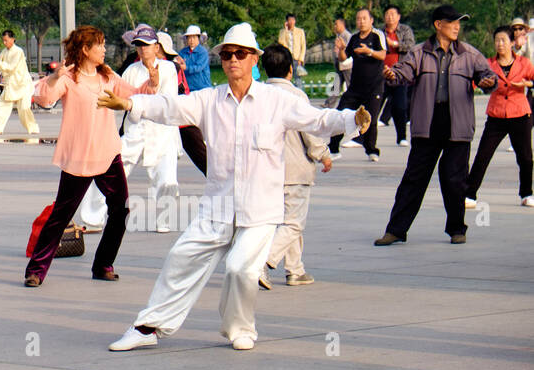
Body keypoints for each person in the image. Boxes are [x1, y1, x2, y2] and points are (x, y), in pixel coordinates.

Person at [102, 23, 369, 352]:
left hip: (260, 209)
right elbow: (171, 107)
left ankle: (239, 328)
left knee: (240, 269)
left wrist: (350, 120)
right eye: (227, 54)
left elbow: (316, 120)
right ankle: (147, 327)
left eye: (240, 54)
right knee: (180, 257)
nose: (232, 60)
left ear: (254, 59)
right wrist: (131, 105)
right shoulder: (210, 100)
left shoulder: (276, 101)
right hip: (217, 207)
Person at [25, 25, 149, 286]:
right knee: (61, 215)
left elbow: (135, 95)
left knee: (121, 209)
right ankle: (36, 270)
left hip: (107, 154)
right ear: (85, 49)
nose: (104, 49)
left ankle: (103, 264)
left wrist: (153, 81)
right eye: (100, 45)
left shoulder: (108, 76)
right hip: (78, 155)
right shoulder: (69, 78)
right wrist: (54, 77)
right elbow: (44, 98)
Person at [375, 5, 498, 246]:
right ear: (438, 25)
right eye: (452, 22)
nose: (456, 27)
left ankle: (456, 229)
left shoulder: (469, 54)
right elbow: (403, 72)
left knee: (455, 180)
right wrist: (392, 75)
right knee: (414, 180)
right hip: (427, 124)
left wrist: (487, 81)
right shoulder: (420, 52)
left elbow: (487, 75)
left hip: (457, 126)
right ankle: (396, 230)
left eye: (459, 22)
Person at [257, 44, 333, 289]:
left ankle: (295, 270)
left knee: (283, 221)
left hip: (265, 170)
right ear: (290, 70)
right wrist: (323, 154)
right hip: (294, 169)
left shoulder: (257, 95)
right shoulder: (296, 96)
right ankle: (263, 262)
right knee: (294, 222)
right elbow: (310, 130)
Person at [463, 26, 533, 208]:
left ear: (511, 43)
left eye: (503, 40)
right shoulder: (488, 64)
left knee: (525, 157)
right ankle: (469, 194)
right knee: (483, 155)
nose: (500, 44)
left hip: (520, 114)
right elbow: (474, 82)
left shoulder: (524, 63)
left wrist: (526, 83)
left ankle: (526, 193)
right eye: (497, 40)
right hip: (496, 115)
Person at [119, 28, 181, 232]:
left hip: (161, 132)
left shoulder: (168, 69)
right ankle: (92, 219)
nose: (143, 49)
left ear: (157, 47)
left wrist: (153, 86)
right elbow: (126, 101)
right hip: (135, 128)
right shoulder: (131, 71)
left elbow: (166, 102)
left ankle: (164, 220)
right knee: (113, 173)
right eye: (139, 45)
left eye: (147, 45)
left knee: (167, 179)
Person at [330, 8, 385, 161]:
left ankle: (371, 150)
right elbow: (343, 58)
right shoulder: (354, 38)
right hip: (355, 86)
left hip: (374, 86)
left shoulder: (376, 36)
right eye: (358, 19)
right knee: (340, 114)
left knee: (371, 119)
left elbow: (382, 54)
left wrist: (369, 51)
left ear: (371, 20)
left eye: (364, 18)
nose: (361, 21)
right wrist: (341, 50)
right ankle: (333, 148)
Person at [0, 29, 38, 136]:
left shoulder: (18, 51)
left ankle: (33, 128)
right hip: (11, 85)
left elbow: (11, 68)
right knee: (1, 104)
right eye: (3, 41)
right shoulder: (4, 52)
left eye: (6, 40)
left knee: (24, 108)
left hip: (22, 84)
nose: (5, 43)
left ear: (13, 39)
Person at [378, 5, 416, 146]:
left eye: (393, 14)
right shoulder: (379, 32)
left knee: (400, 107)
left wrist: (393, 43)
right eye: (387, 14)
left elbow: (411, 46)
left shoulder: (405, 30)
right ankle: (363, 139)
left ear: (398, 17)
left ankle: (402, 137)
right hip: (381, 73)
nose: (390, 17)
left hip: (399, 74)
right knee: (373, 106)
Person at [175, 25, 210, 174]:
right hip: (189, 91)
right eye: (189, 38)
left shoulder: (203, 52)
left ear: (199, 38)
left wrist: (185, 66)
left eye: (194, 37)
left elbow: (198, 67)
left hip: (202, 88)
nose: (191, 40)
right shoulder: (182, 52)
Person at [332, 16, 352, 94]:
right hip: (339, 61)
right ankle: (329, 103)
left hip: (346, 63)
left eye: (336, 24)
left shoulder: (347, 35)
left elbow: (349, 49)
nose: (335, 26)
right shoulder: (338, 35)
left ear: (342, 24)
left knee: (348, 82)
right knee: (337, 82)